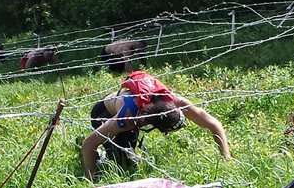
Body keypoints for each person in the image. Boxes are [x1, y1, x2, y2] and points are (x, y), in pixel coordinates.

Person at [82, 70, 230, 178]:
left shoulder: (176, 101)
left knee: (127, 160)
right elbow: (89, 143)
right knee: (122, 163)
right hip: (103, 113)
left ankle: (112, 153)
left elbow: (214, 124)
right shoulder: (127, 119)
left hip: (130, 114)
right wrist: (92, 181)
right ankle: (101, 156)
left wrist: (226, 158)